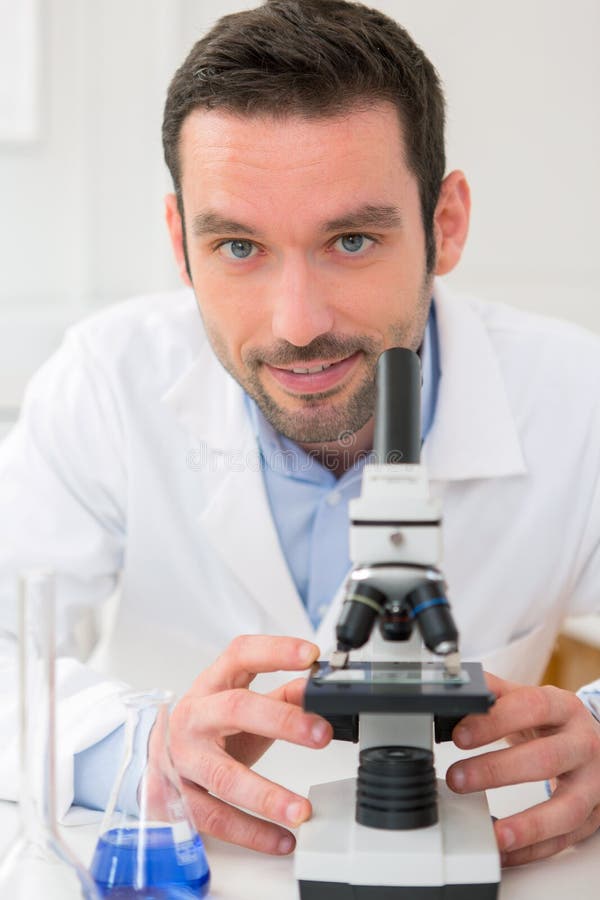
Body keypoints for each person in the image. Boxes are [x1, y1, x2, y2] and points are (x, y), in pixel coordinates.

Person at [1, 0, 599, 872]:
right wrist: (139, 750)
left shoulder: (576, 394)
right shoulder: (106, 380)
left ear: (446, 224)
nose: (298, 323)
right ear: (180, 242)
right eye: (239, 246)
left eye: (351, 239)